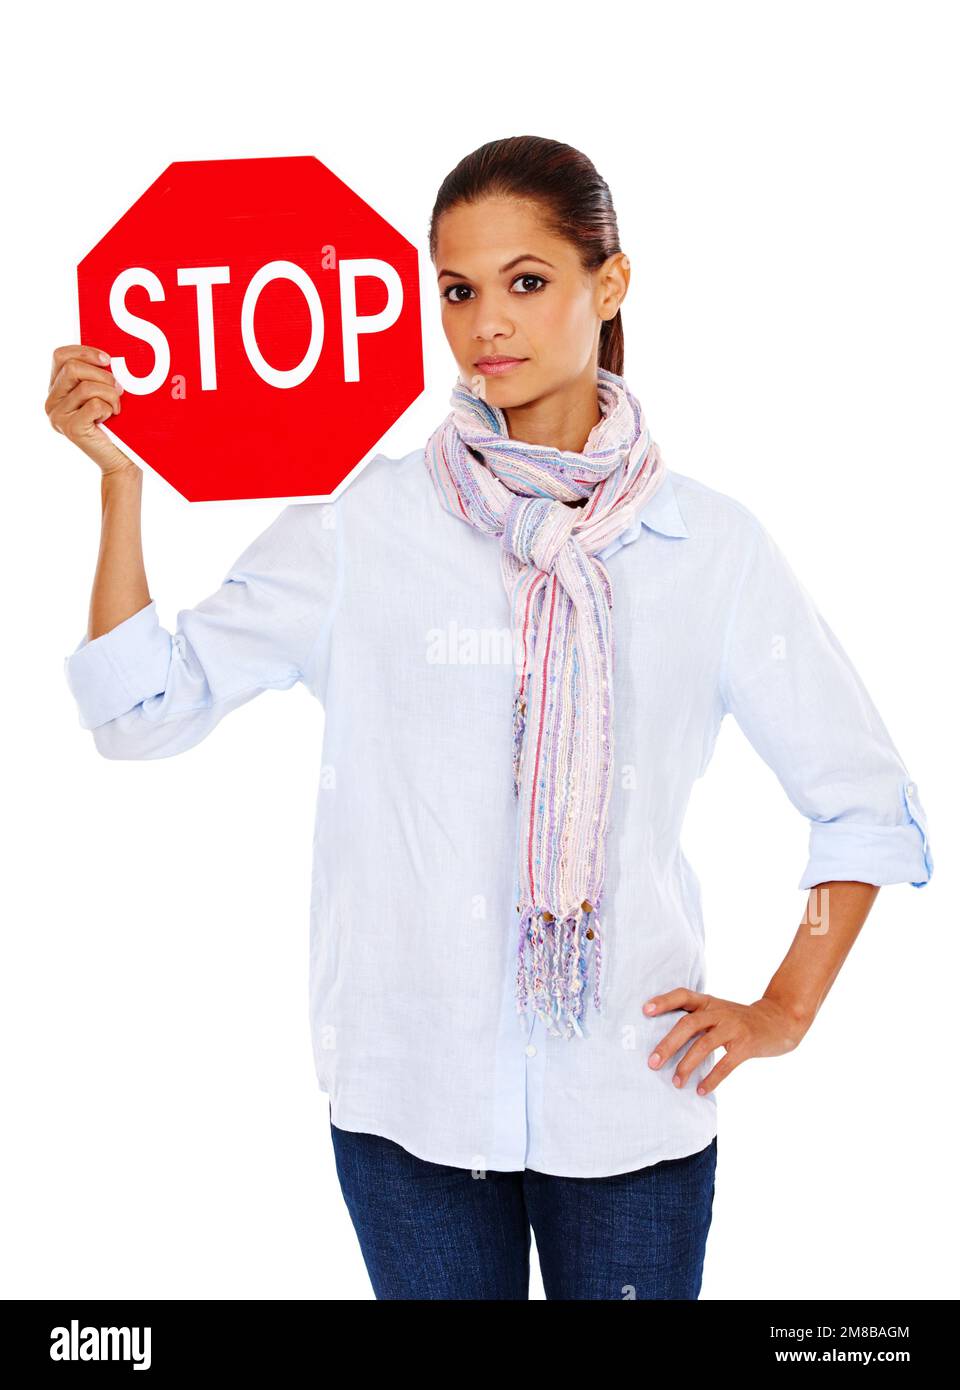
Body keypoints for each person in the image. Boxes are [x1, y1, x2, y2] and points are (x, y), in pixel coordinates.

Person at [48, 135, 933, 1301]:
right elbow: (141, 709)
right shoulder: (367, 528)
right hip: (411, 1106)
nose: (485, 326)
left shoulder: (708, 549)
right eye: (457, 290)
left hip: (631, 1107)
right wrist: (123, 484)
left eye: (526, 282)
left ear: (607, 287)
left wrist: (784, 1010)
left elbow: (863, 803)